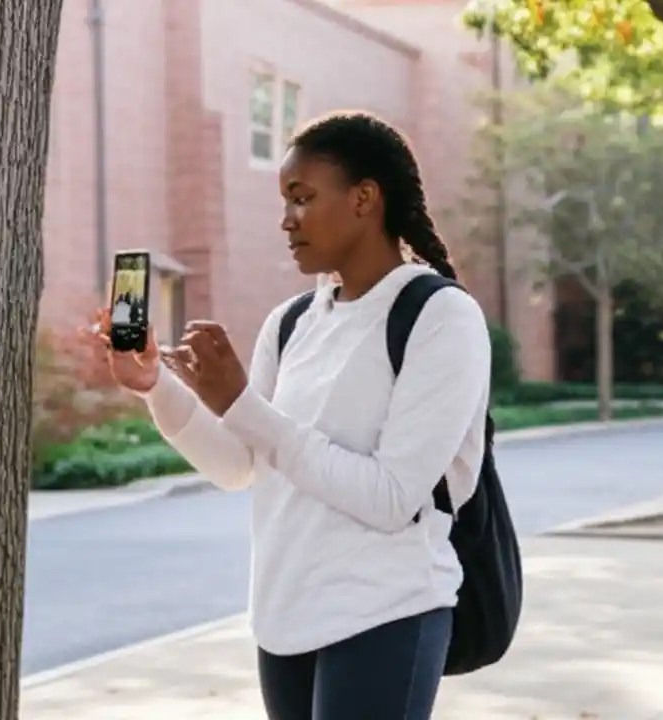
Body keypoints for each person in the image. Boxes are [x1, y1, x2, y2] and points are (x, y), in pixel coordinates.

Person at [98, 111, 491, 720]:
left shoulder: (439, 316)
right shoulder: (291, 323)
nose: (286, 219)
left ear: (364, 199)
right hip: (283, 619)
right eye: (285, 199)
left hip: (386, 612)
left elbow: (391, 497)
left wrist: (241, 404)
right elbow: (239, 465)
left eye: (302, 198)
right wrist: (156, 386)